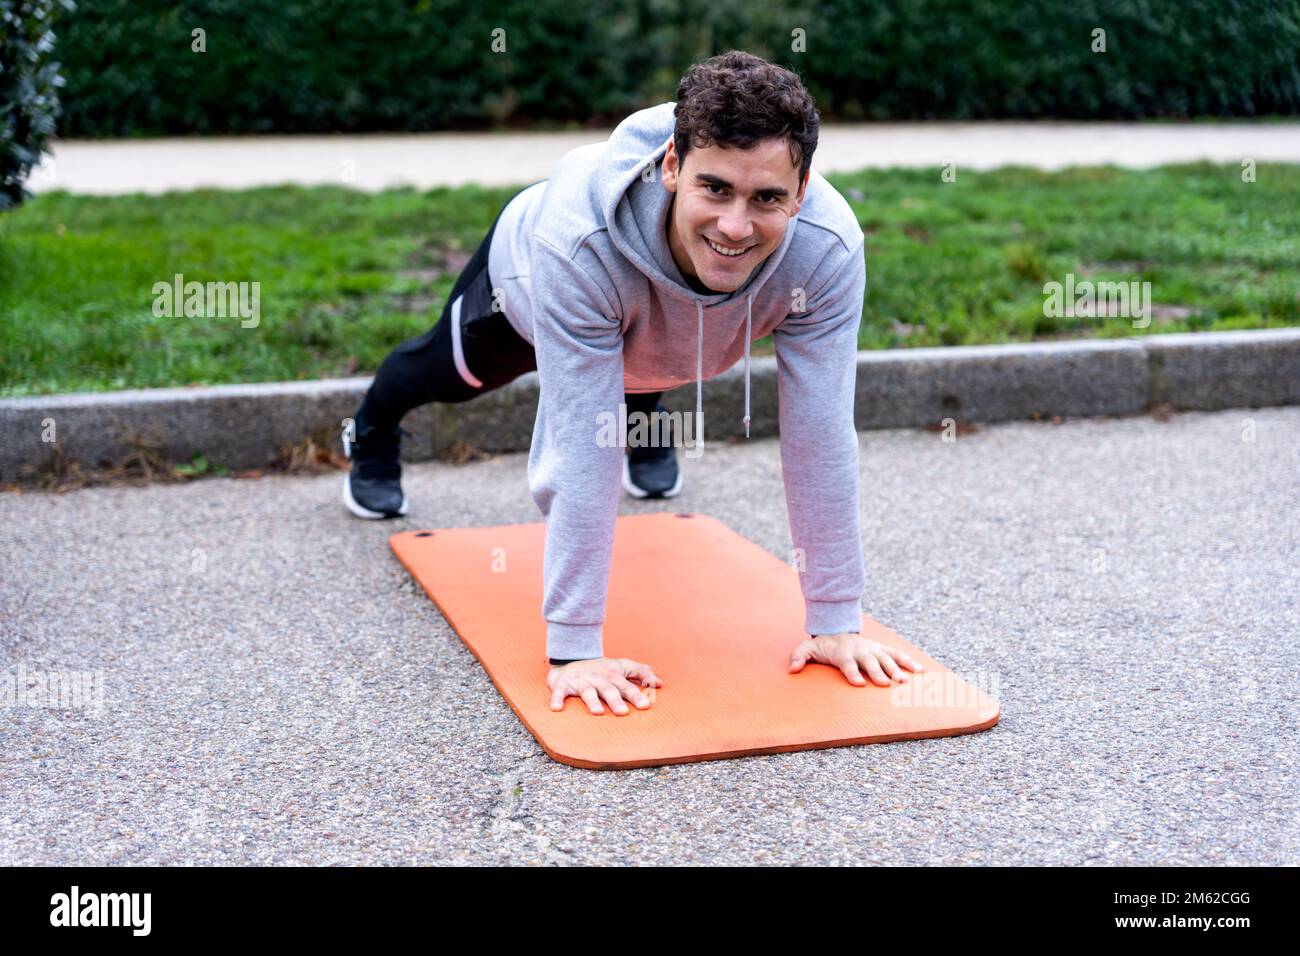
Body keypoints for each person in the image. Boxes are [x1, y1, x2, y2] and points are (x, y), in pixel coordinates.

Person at [346, 50, 923, 716]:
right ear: (673, 167)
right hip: (529, 284)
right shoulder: (579, 241)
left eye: (766, 197)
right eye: (715, 189)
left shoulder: (826, 248)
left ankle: (646, 430)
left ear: (802, 187)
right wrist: (574, 648)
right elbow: (579, 451)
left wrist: (835, 619)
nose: (736, 225)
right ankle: (372, 430)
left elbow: (820, 434)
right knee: (451, 374)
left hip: (652, 325)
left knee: (644, 353)